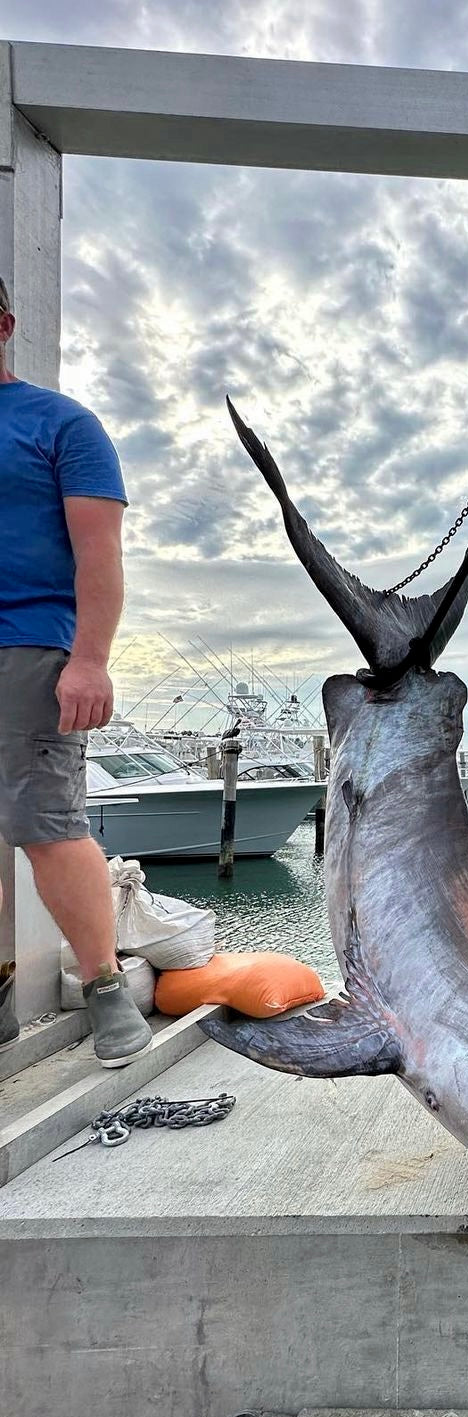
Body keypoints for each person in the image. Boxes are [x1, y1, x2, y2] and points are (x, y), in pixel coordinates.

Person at [0, 274, 152, 1065]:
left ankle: (103, 985)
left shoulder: (61, 423)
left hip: (29, 646)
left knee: (46, 822)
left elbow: (100, 550)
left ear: (4, 320)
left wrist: (89, 658)